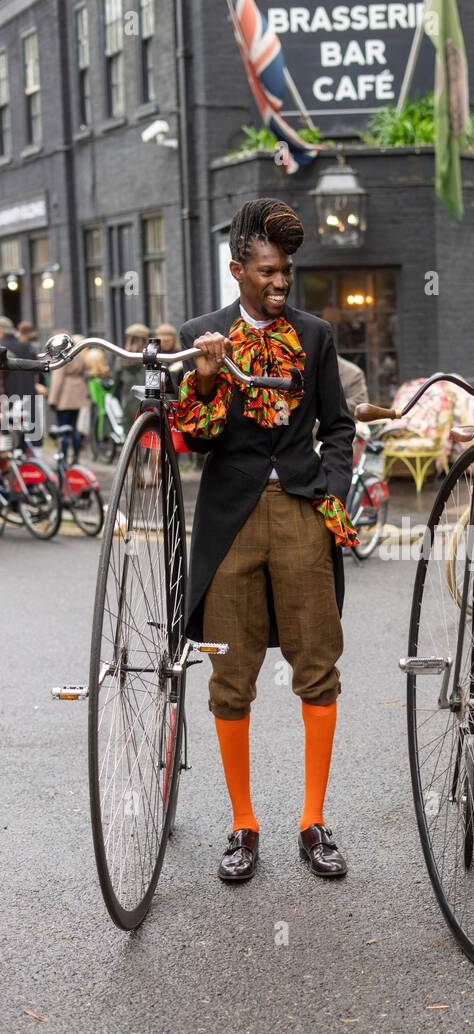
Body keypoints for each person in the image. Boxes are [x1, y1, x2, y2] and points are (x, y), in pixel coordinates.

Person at [174, 197, 357, 883]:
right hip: (230, 519)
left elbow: (338, 425)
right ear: (237, 269)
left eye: (287, 274)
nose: (280, 285)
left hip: (302, 512)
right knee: (231, 675)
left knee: (317, 664)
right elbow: (195, 438)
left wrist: (331, 490)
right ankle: (242, 823)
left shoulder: (315, 335)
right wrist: (208, 374)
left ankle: (313, 820)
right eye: (268, 273)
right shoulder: (202, 335)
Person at [0, 314, 47, 448]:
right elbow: (38, 369)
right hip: (29, 395)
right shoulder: (26, 347)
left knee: (10, 442)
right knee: (31, 438)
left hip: (8, 398)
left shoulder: (2, 349)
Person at [48, 341, 89, 462]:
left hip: (64, 396)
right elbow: (84, 374)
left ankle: (63, 457)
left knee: (63, 430)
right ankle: (76, 457)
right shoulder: (79, 355)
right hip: (78, 394)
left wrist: (52, 400)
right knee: (75, 429)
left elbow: (57, 380)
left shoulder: (62, 356)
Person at [116, 322, 151, 431]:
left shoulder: (122, 358)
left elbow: (116, 380)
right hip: (149, 402)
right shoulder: (152, 357)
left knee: (131, 436)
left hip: (129, 402)